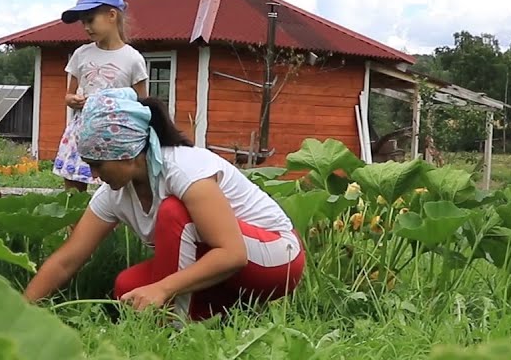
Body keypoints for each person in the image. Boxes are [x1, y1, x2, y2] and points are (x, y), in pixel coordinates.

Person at [24, 87, 306, 322]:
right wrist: (22, 313)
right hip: (230, 268)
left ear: (127, 153)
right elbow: (67, 260)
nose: (94, 175)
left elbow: (233, 254)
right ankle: (222, 316)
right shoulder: (113, 194)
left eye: (98, 165)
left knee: (173, 213)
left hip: (277, 258)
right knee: (129, 288)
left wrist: (162, 289)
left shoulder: (183, 170)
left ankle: (171, 329)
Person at [52, 0, 148, 191]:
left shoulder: (132, 59)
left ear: (112, 15)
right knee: (73, 187)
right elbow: (69, 95)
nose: (87, 27)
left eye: (91, 20)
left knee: (114, 187)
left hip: (115, 133)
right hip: (82, 129)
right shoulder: (81, 54)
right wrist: (73, 100)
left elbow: (142, 104)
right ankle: (75, 213)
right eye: (83, 22)